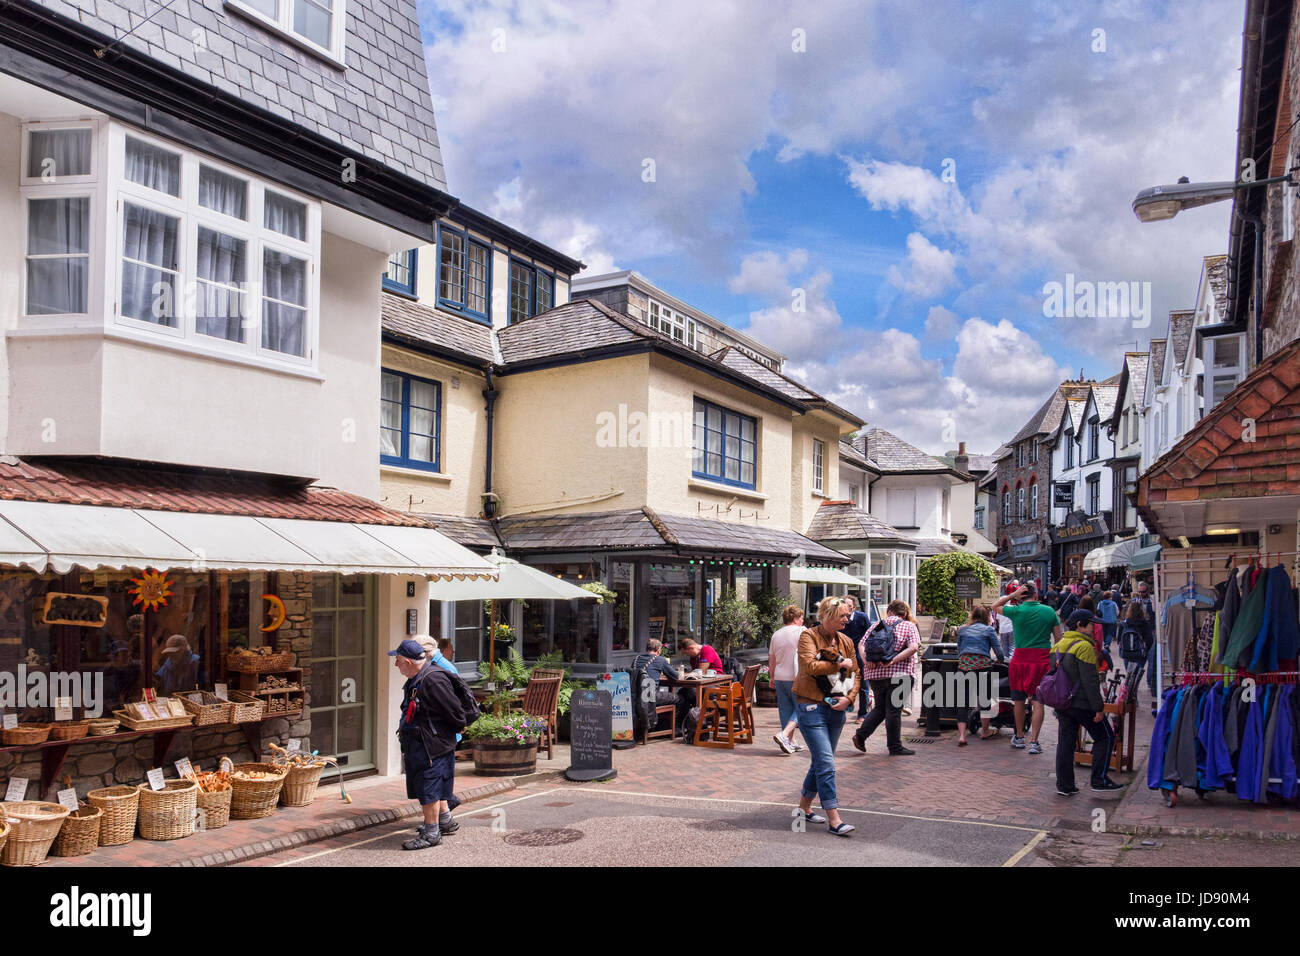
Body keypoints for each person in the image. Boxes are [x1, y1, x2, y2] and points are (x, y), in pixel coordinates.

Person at [390, 638, 476, 850]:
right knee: (430, 785)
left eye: (397, 660)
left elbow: (455, 713)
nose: (395, 665)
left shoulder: (432, 680)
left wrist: (450, 729)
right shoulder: (418, 678)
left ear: (408, 662)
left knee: (429, 788)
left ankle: (431, 834)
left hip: (431, 745)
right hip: (425, 744)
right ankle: (443, 822)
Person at [792, 596, 859, 836]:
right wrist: (841, 665)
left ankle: (803, 808)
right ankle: (834, 819)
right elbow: (810, 666)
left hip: (836, 708)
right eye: (843, 615)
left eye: (847, 615)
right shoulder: (808, 636)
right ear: (828, 616)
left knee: (820, 762)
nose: (847, 619)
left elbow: (857, 673)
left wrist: (849, 699)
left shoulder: (846, 640)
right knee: (827, 763)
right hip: (811, 707)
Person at [1052, 615, 1122, 795]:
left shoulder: (1057, 646)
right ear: (1079, 625)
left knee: (1065, 743)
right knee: (1105, 737)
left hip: (1063, 702)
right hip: (1082, 703)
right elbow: (1090, 681)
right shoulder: (1084, 647)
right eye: (1091, 625)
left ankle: (1064, 785)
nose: (1094, 629)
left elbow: (1053, 678)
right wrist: (1098, 707)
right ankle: (1099, 779)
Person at [992, 583, 1063, 755]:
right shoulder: (1049, 612)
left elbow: (994, 607)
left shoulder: (1016, 611)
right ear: (1037, 596)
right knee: (1039, 702)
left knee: (1018, 700)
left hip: (1020, 660)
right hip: (1041, 660)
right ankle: (1035, 742)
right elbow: (1059, 639)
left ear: (1020, 597)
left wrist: (1011, 596)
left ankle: (1019, 736)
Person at [851, 599, 921, 757]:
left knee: (880, 708)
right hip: (900, 673)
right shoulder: (909, 625)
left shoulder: (876, 625)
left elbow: (861, 645)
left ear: (889, 611)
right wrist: (893, 660)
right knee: (894, 711)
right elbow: (914, 647)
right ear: (905, 614)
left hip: (875, 674)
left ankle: (860, 736)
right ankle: (894, 747)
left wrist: (866, 661)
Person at [955, 605, 1005, 745]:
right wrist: (1000, 660)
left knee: (963, 702)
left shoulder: (963, 629)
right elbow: (998, 651)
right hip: (982, 666)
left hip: (964, 666)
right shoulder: (989, 630)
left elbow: (959, 648)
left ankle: (962, 736)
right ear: (986, 617)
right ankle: (985, 731)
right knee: (985, 700)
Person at [768, 605, 806, 754]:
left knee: (785, 710)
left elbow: (772, 658)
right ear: (795, 619)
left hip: (779, 677)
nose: (803, 621)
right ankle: (784, 736)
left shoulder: (776, 634)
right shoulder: (801, 631)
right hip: (796, 676)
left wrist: (771, 676)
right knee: (801, 708)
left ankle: (790, 741)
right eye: (801, 618)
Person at [841, 595, 872, 719]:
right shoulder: (839, 618)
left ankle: (863, 714)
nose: (845, 609)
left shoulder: (862, 617)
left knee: (863, 685)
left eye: (848, 606)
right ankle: (841, 710)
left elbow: (871, 633)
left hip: (859, 655)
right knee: (843, 683)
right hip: (844, 655)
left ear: (853, 607)